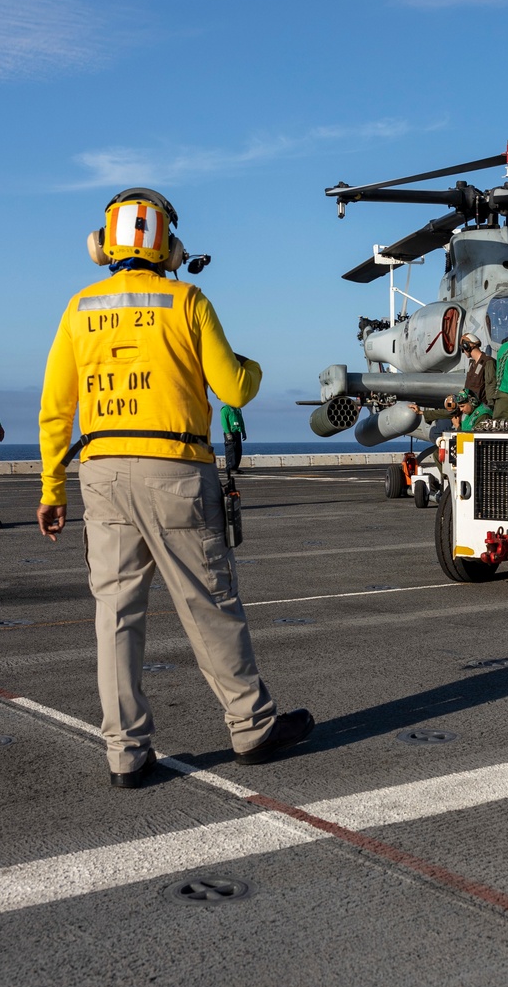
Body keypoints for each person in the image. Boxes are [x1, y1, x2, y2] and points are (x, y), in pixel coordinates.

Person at [36, 187, 314, 788]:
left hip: (102, 472)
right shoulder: (187, 299)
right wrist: (252, 365)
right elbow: (235, 388)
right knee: (207, 604)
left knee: (115, 616)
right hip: (175, 472)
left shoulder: (80, 305)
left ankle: (126, 755)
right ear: (170, 245)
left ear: (103, 246)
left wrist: (52, 488)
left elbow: (55, 409)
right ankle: (250, 727)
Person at [458, 334, 496, 408]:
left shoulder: (488, 362)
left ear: (467, 347)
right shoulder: (472, 365)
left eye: (463, 348)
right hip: (472, 408)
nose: (463, 351)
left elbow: (491, 385)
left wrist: (491, 407)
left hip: (482, 408)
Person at [220, 402, 246, 472]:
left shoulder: (238, 409)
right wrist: (228, 433)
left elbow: (241, 421)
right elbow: (224, 422)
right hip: (230, 433)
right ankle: (230, 468)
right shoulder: (225, 409)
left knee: (238, 450)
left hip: (237, 432)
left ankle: (235, 467)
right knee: (231, 450)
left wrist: (243, 432)